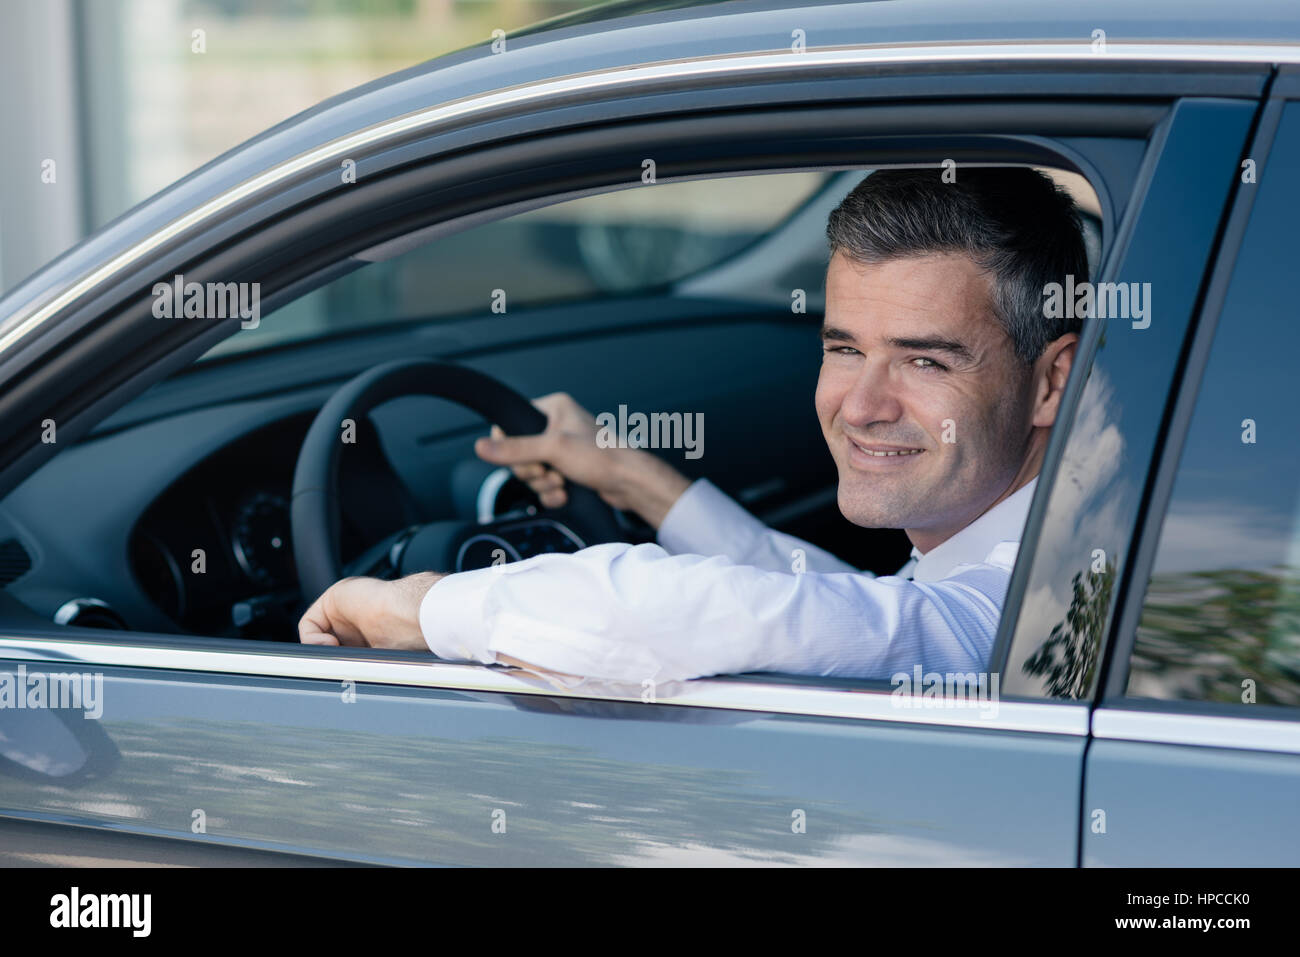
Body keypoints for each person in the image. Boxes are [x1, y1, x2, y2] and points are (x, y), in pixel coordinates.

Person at [298, 167, 1086, 690]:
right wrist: (630, 476)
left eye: (925, 362)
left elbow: (709, 613)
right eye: (844, 347)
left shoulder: (1028, 608)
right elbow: (844, 608)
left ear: (1051, 381)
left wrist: (421, 606)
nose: (861, 405)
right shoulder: (1027, 552)